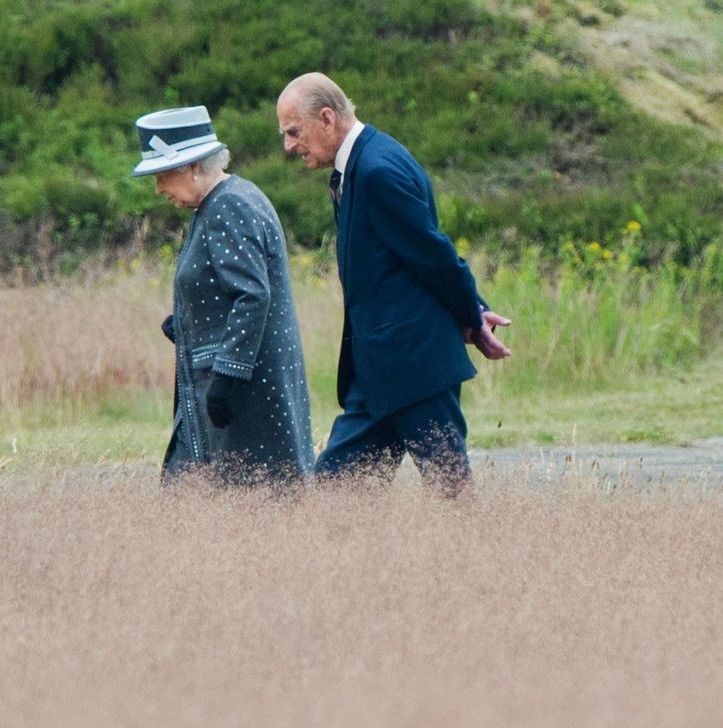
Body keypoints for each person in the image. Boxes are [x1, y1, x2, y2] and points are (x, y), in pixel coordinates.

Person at [275, 72, 512, 497]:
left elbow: (432, 254)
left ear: (327, 118)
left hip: (415, 369)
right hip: (380, 371)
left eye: (294, 132)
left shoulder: (376, 169)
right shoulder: (369, 159)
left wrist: (472, 316)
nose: (289, 146)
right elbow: (419, 255)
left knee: (452, 496)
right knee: (334, 495)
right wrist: (472, 310)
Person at [131, 105, 314, 485]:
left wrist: (228, 375)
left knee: (238, 499)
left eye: (162, 176)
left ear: (192, 167)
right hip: (233, 384)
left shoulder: (228, 205)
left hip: (241, 391)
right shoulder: (232, 198)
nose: (159, 189)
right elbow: (223, 289)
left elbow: (252, 294)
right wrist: (185, 322)